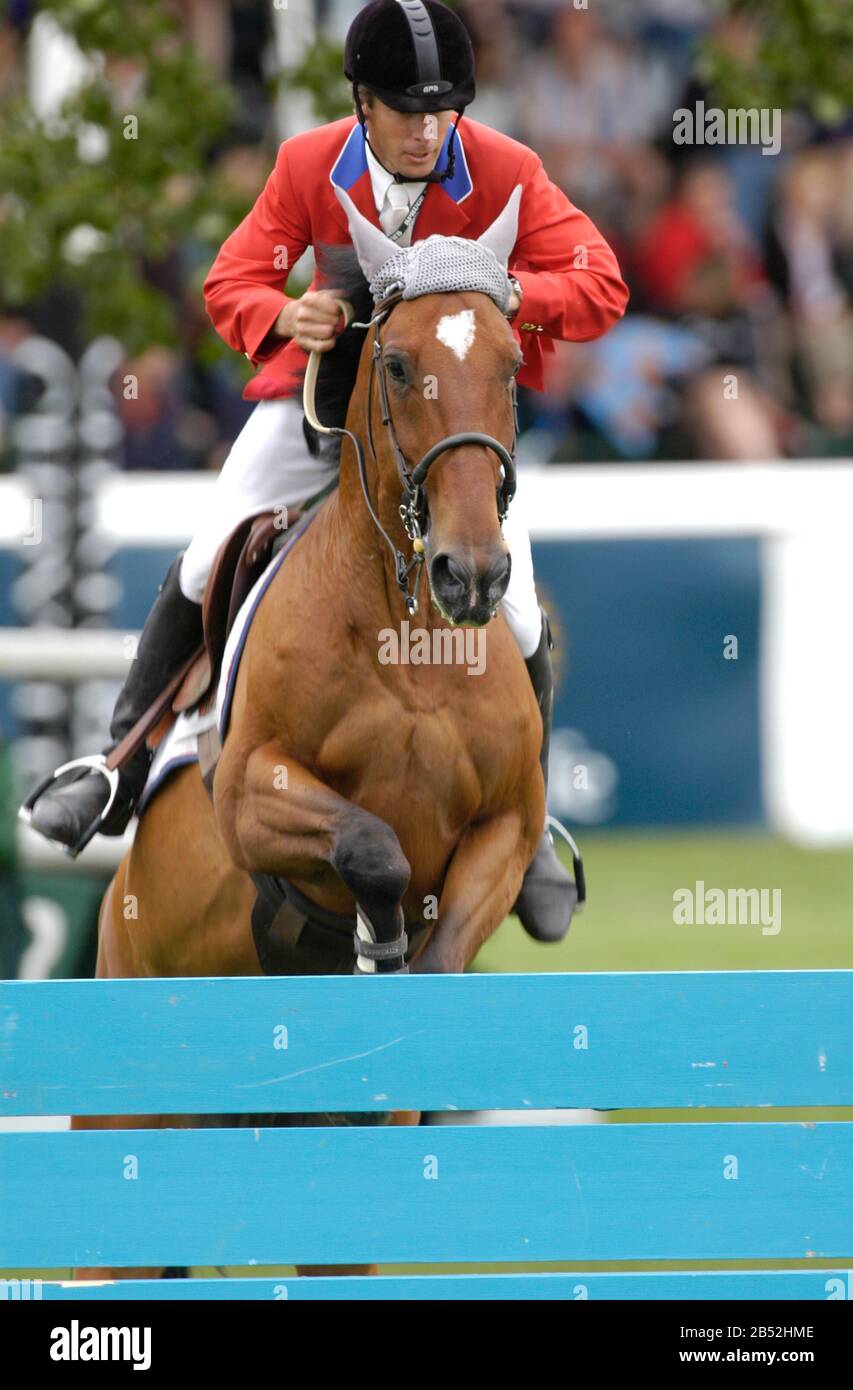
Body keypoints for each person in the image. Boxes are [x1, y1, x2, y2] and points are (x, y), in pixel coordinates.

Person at [25, 0, 628, 942]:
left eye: (443, 110)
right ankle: (120, 764)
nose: (428, 130)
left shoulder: (508, 169)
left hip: (443, 437)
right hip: (315, 415)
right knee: (203, 553)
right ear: (362, 103)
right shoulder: (310, 163)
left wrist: (513, 291)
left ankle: (532, 819)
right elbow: (230, 280)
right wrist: (280, 316)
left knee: (512, 607)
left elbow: (603, 281)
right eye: (405, 108)